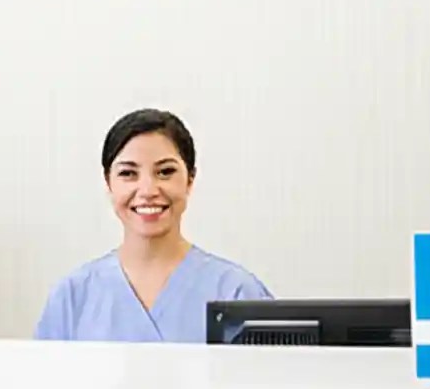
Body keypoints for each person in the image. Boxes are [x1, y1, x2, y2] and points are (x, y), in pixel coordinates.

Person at [35, 108, 272, 343]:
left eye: (165, 172)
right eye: (128, 173)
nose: (148, 191)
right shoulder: (73, 298)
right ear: (108, 183)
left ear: (190, 180)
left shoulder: (235, 292)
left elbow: (275, 377)